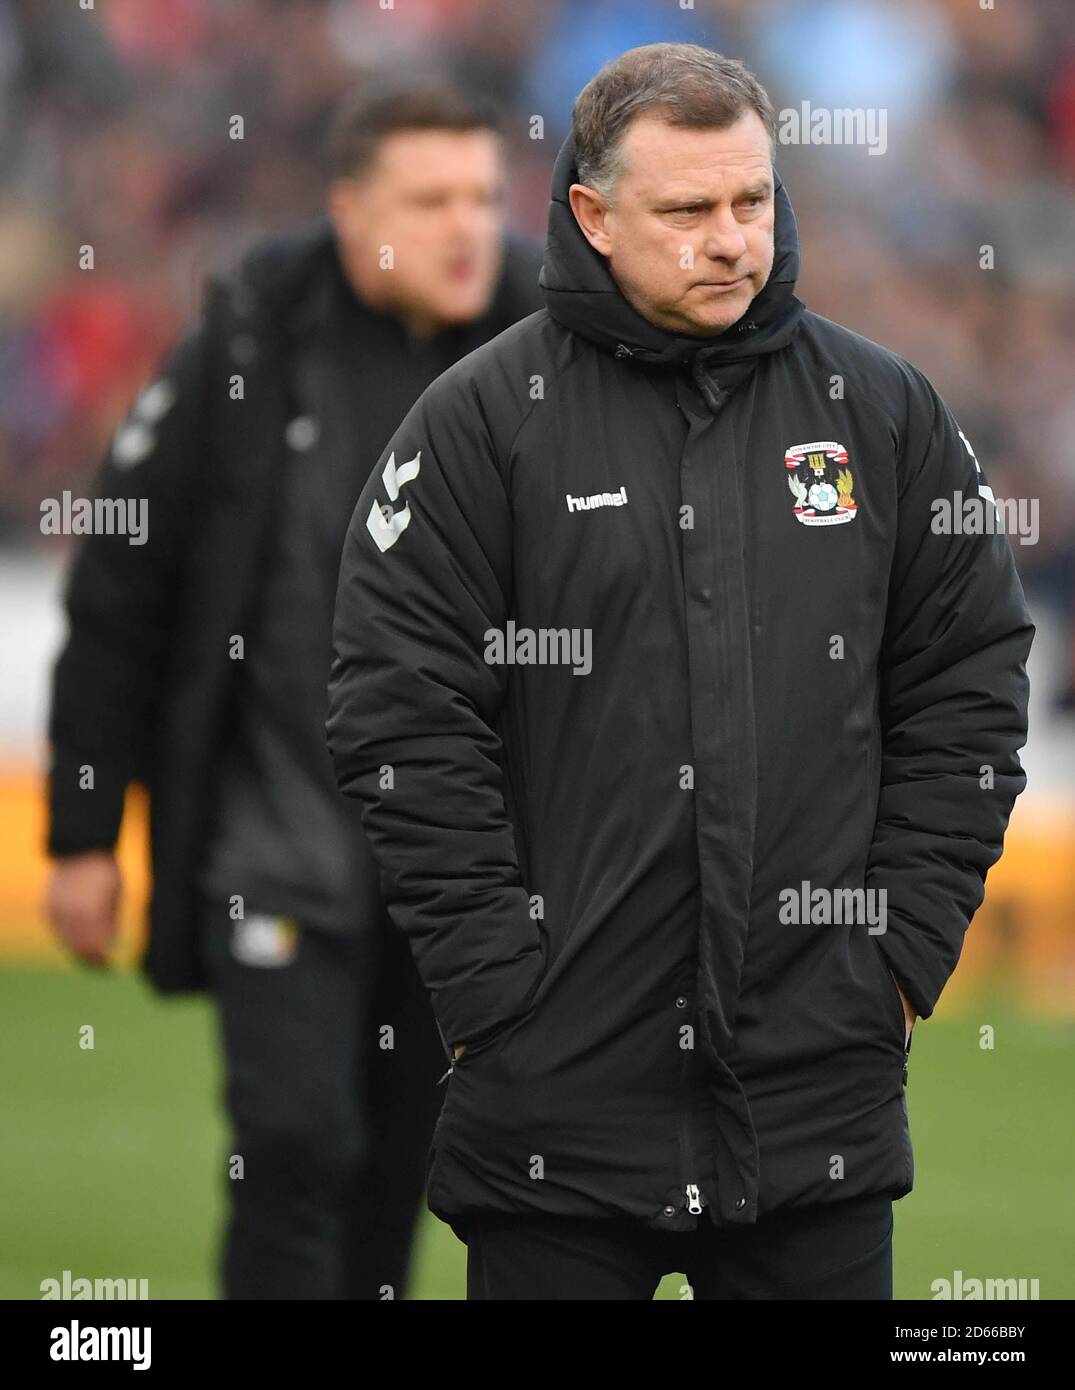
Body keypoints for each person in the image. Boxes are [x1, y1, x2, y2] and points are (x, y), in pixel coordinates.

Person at [325, 44, 1034, 1300]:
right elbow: (396, 705)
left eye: (752, 203)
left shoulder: (884, 416)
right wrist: (494, 979)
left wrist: (901, 949)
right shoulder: (482, 422)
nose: (731, 241)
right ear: (593, 218)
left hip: (815, 1102)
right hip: (554, 1107)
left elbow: (968, 683)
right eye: (688, 211)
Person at [43, 72, 543, 1300]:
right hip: (278, 843)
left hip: (462, 867)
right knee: (294, 1144)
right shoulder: (256, 336)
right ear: (348, 207)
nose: (464, 225)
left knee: (403, 1171)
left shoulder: (552, 344)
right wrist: (83, 831)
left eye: (482, 194)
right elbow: (120, 592)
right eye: (428, 199)